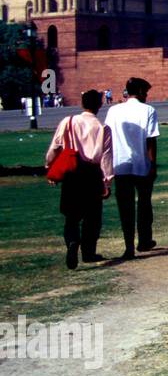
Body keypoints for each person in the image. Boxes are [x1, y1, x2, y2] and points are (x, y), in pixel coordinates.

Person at [45, 90, 114, 269]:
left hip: (72, 172)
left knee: (71, 215)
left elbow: (55, 147)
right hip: (92, 173)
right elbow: (106, 157)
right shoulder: (103, 128)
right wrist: (107, 181)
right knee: (93, 217)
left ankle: (72, 242)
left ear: (82, 104)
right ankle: (88, 252)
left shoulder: (68, 122)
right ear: (99, 105)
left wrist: (50, 167)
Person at [104, 77, 159, 259]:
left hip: (120, 165)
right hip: (141, 163)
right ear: (141, 92)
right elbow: (151, 139)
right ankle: (144, 241)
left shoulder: (113, 111)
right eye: (146, 92)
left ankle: (129, 246)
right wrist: (152, 164)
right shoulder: (148, 110)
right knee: (144, 204)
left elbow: (107, 139)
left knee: (125, 207)